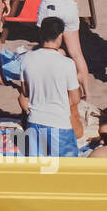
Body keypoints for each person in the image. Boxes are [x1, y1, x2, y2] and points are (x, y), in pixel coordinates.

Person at [20, 16, 82, 159]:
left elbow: (25, 92)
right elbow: (74, 99)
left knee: (38, 171)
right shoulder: (67, 64)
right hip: (59, 123)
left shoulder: (26, 59)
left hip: (35, 122)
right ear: (60, 36)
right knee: (67, 171)